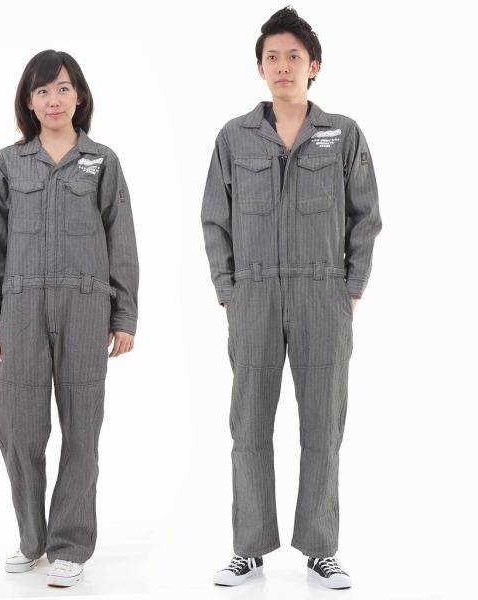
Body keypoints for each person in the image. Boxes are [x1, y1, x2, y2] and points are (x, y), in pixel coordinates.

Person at [200, 7, 381, 590]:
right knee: (249, 425)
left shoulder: (343, 133)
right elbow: (214, 219)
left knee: (322, 426)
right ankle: (249, 548)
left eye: (294, 57)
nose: (283, 66)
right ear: (259, 67)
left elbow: (366, 217)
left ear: (314, 66)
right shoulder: (234, 136)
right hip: (252, 295)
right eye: (272, 57)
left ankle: (321, 548)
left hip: (322, 294)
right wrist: (228, 291)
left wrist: (351, 289)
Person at [0, 49, 139, 588]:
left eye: (63, 88)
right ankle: (32, 537)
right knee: (18, 424)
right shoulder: (8, 163)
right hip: (20, 307)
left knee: (82, 429)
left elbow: (121, 240)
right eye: (42, 91)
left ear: (80, 95)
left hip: (87, 306)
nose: (53, 100)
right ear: (28, 101)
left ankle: (70, 545)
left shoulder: (101, 161)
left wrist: (125, 315)